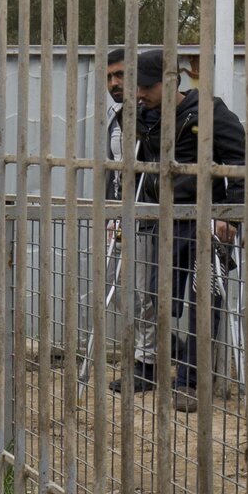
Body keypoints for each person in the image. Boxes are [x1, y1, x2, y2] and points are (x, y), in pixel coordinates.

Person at [134, 48, 247, 408]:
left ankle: (192, 383)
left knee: (203, 301)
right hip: (160, 222)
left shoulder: (209, 113)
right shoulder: (140, 115)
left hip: (203, 225)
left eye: (146, 86)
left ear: (171, 82)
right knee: (157, 300)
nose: (139, 93)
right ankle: (167, 365)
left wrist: (230, 216)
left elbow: (240, 162)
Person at [104, 45, 160, 389]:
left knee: (143, 293)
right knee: (125, 290)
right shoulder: (116, 115)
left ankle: (147, 364)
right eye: (110, 76)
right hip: (123, 214)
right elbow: (115, 172)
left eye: (122, 74)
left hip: (147, 215)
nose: (115, 82)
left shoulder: (148, 117)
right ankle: (151, 351)